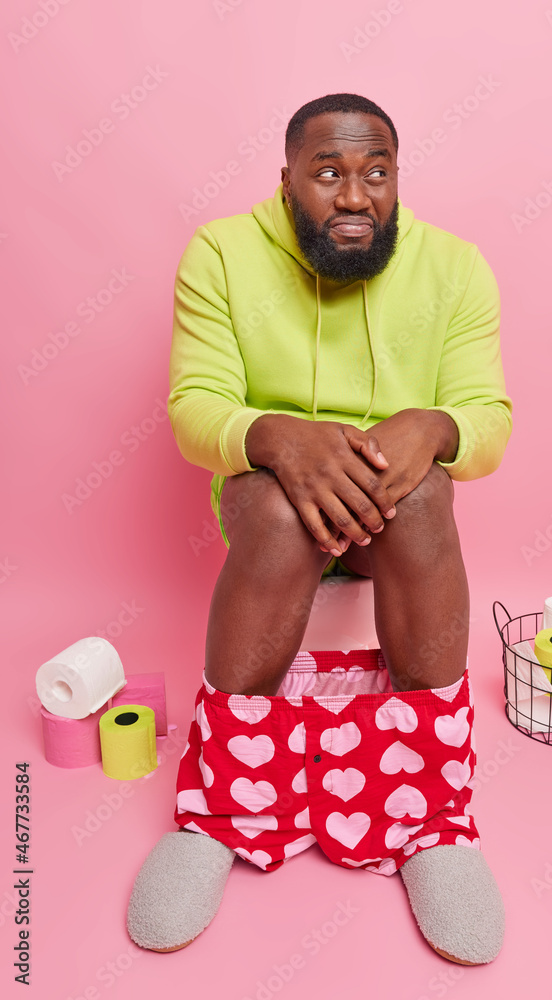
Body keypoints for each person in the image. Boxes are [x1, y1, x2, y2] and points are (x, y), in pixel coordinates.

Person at [126, 92, 513, 965]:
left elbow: (487, 416)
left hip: (396, 510)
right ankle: (216, 816)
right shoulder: (222, 253)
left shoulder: (454, 267)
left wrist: (434, 427)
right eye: (327, 173)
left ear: (397, 179)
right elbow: (196, 406)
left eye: (376, 173)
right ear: (286, 180)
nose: (353, 197)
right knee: (270, 507)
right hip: (270, 511)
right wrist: (271, 436)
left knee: (425, 495)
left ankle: (431, 823)